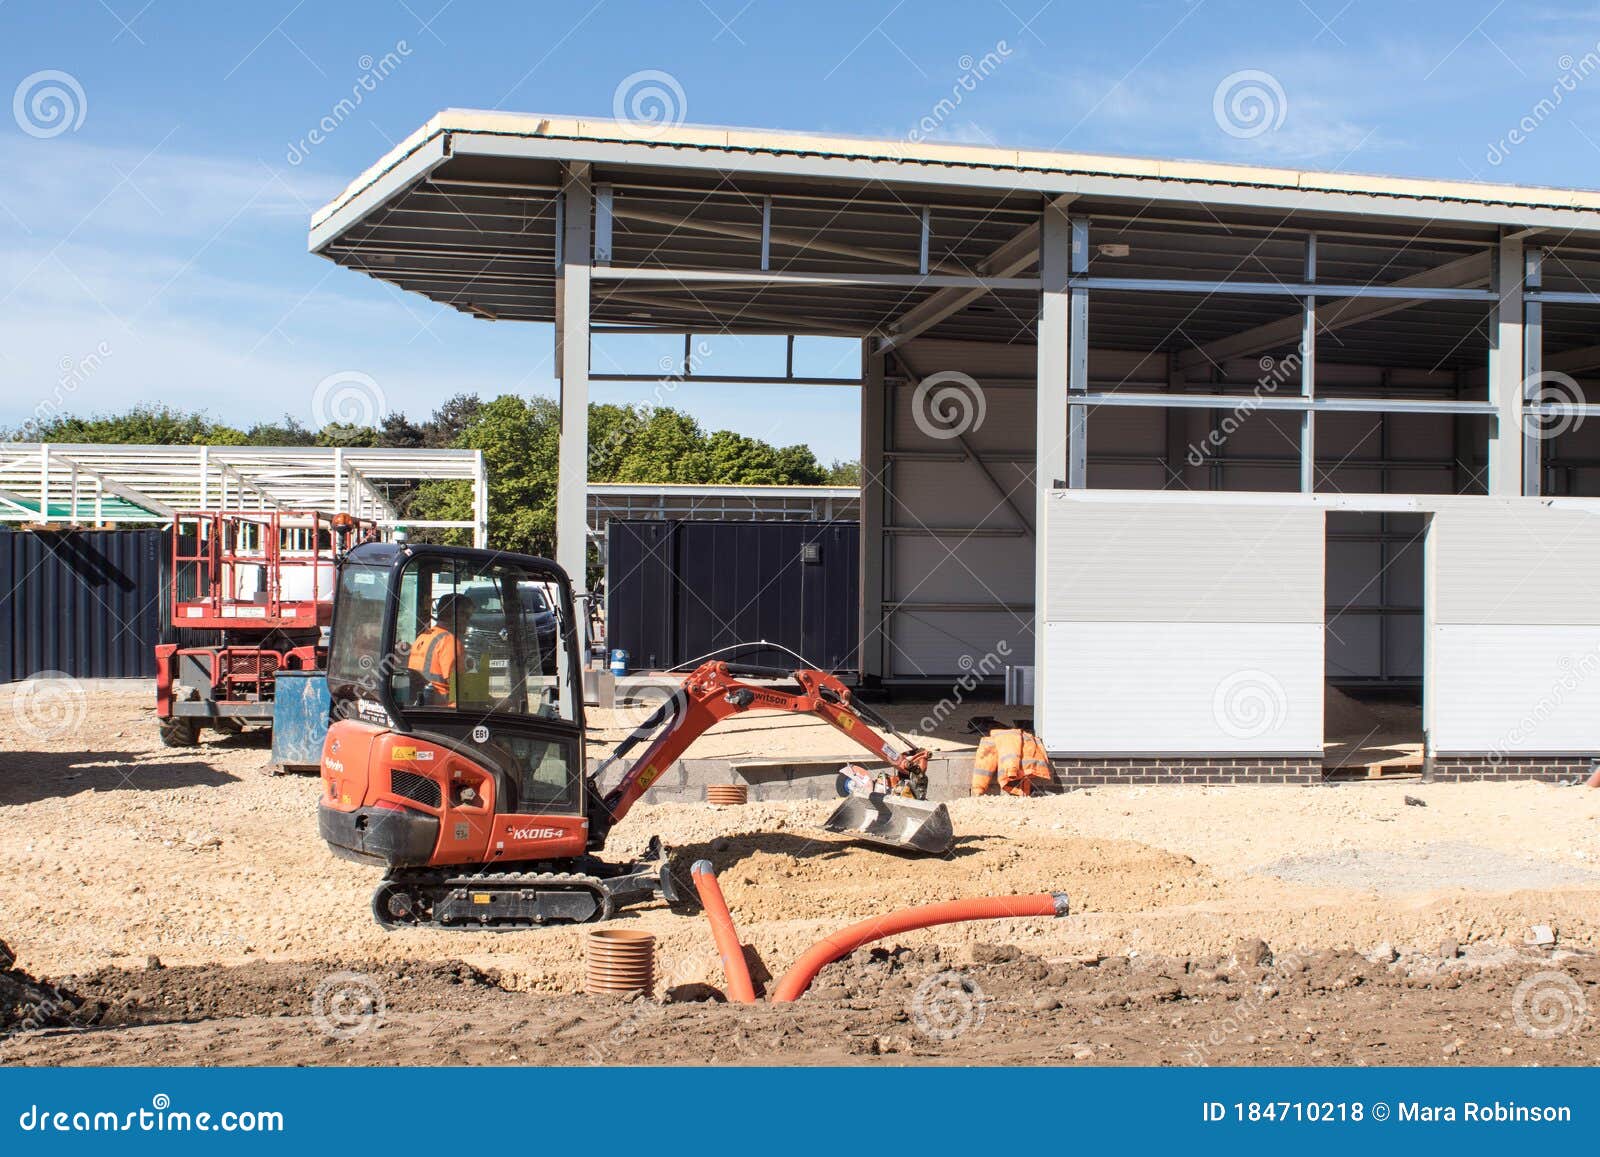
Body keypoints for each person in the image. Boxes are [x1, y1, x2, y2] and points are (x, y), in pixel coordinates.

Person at [407, 593, 475, 706]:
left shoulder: (423, 637)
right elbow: (461, 688)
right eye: (466, 616)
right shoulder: (450, 642)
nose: (468, 621)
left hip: (426, 706)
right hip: (448, 711)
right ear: (454, 615)